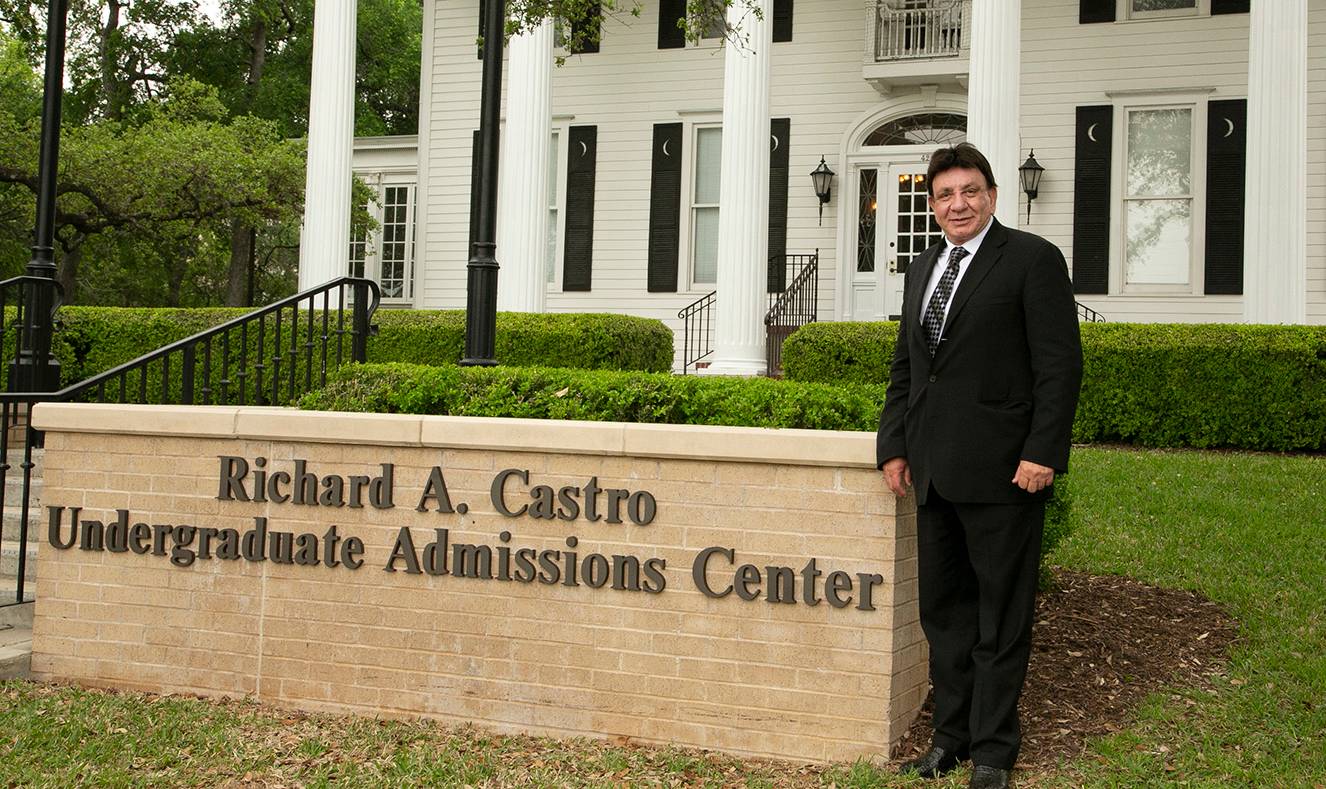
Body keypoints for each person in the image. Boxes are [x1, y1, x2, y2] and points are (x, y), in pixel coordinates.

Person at [876, 143, 1082, 789]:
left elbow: (1059, 364)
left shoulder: (1030, 259)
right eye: (944, 195)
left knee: (1000, 618)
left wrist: (1042, 451)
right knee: (945, 616)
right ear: (931, 204)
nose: (957, 204)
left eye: (969, 190)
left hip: (1004, 473)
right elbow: (909, 365)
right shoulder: (923, 267)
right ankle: (950, 739)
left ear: (992, 194)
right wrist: (894, 444)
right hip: (934, 471)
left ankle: (993, 750)